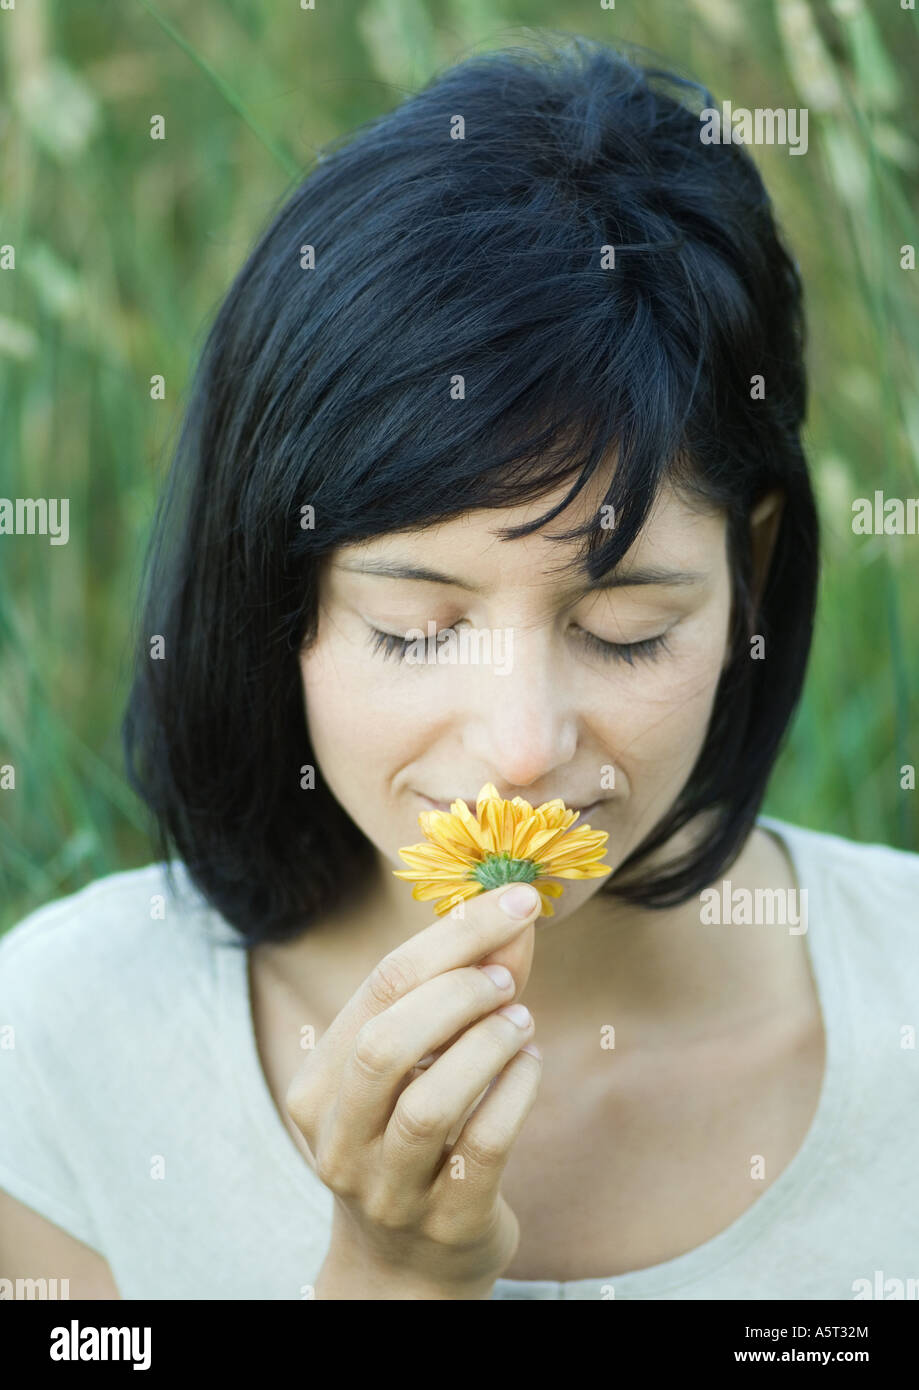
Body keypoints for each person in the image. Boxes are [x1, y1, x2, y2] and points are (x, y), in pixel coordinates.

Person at [2, 35, 917, 1302]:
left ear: (750, 576)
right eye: (417, 628)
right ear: (284, 595)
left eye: (625, 630)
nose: (523, 743)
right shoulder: (60, 1057)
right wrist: (390, 1276)